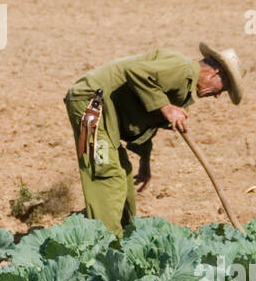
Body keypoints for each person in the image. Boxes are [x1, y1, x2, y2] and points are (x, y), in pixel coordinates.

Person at [64, 42, 243, 237]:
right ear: (216, 73)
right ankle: (105, 244)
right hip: (90, 103)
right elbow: (136, 71)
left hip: (107, 113)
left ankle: (124, 236)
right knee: (106, 172)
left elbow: (146, 120)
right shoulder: (181, 68)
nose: (218, 96)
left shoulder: (183, 87)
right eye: (222, 89)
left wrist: (144, 161)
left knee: (123, 174)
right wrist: (166, 108)